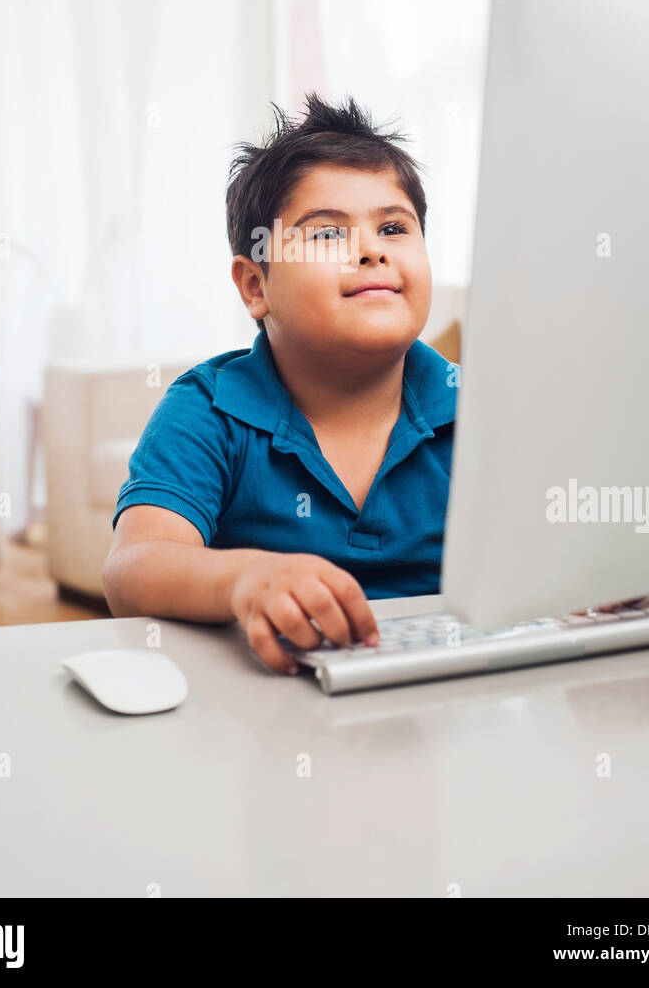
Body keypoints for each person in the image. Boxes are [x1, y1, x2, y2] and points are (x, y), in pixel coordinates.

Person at [103, 93, 458, 675]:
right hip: (264, 700)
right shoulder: (210, 408)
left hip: (441, 694)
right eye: (326, 235)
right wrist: (245, 576)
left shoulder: (477, 406)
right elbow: (132, 569)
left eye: (394, 227)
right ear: (255, 287)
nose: (371, 251)